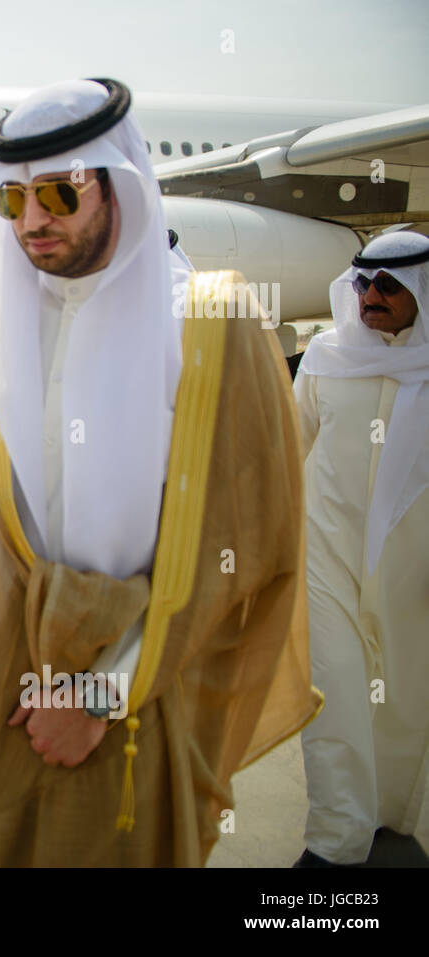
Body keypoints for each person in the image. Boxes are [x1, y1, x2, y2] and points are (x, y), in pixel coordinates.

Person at [0, 78, 319, 866]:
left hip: (129, 707)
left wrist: (102, 694)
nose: (33, 222)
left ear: (119, 186)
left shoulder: (210, 326)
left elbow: (240, 543)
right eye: (12, 202)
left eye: (62, 194)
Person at [294, 231, 429, 868]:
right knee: (336, 690)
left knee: (404, 695)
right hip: (328, 556)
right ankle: (335, 840)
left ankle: (387, 815)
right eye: (362, 284)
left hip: (412, 568)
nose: (370, 297)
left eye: (389, 286)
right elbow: (285, 448)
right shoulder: (325, 355)